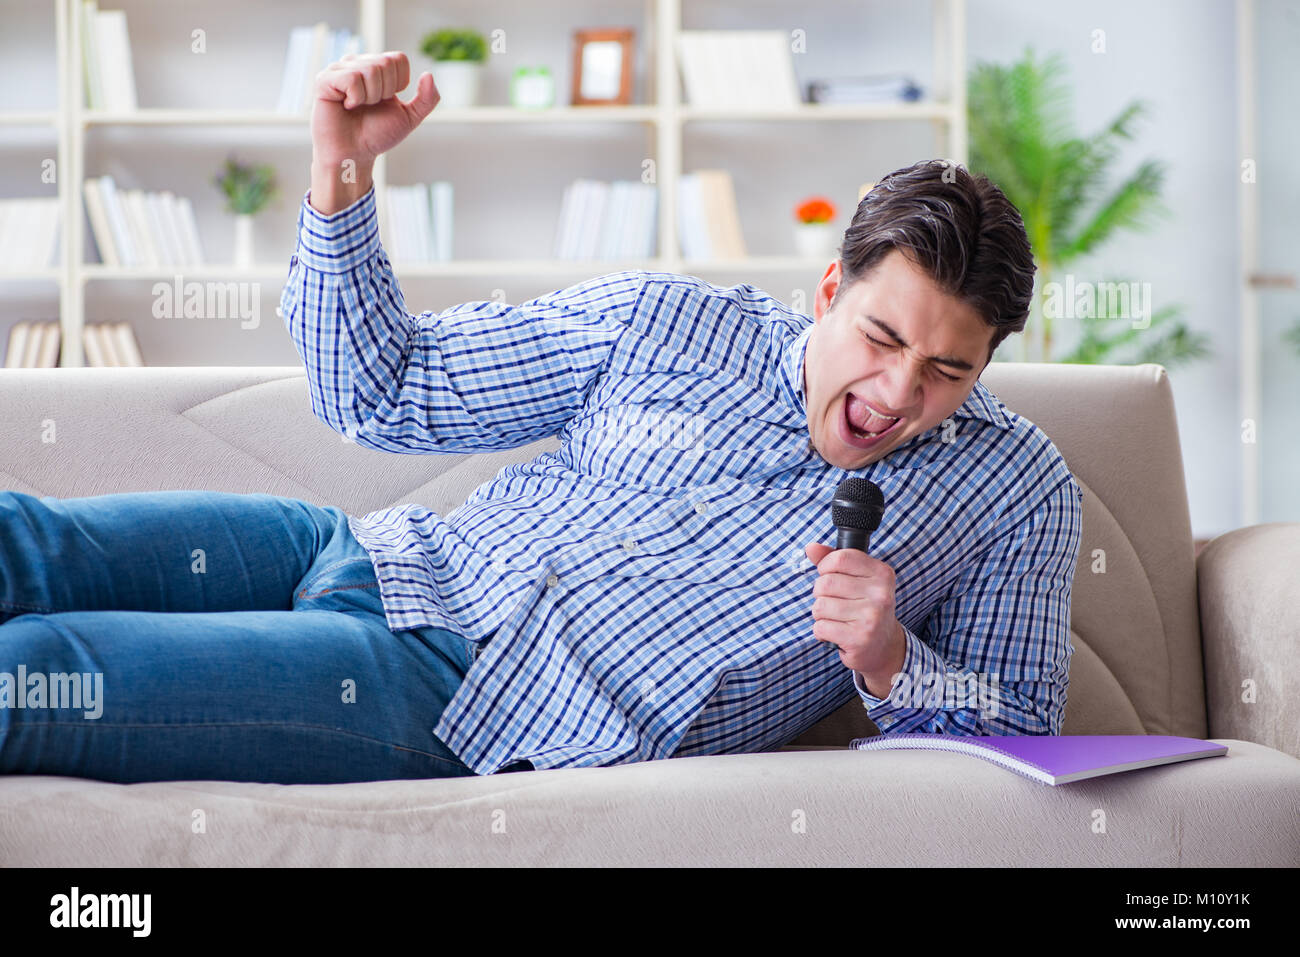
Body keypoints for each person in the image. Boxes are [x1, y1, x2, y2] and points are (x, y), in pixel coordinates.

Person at [0, 53, 1082, 785]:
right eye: (882, 342)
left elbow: (1021, 728)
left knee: (42, 672)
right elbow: (382, 390)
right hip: (367, 555)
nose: (898, 397)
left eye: (948, 372)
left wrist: (891, 659)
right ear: (826, 291)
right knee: (28, 543)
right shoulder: (663, 320)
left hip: (465, 704)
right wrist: (343, 174)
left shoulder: (1015, 490)